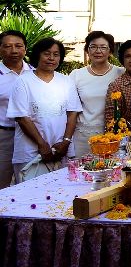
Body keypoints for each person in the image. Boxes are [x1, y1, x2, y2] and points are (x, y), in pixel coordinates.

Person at [7, 38, 81, 182]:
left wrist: (65, 142)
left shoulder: (66, 81)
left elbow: (72, 113)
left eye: (56, 54)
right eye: (47, 54)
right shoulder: (23, 81)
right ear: (37, 55)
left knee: (60, 195)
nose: (51, 58)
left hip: (60, 150)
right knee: (30, 196)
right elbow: (22, 117)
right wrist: (42, 145)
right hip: (31, 151)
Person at [69, 31, 124, 156]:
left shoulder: (120, 73)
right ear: (87, 50)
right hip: (84, 136)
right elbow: (71, 108)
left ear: (110, 51)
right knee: (84, 172)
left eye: (103, 47)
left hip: (113, 136)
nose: (98, 51)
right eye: (93, 47)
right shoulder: (76, 75)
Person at [0, 31, 32, 188]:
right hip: (4, 135)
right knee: (2, 180)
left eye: (18, 46)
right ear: (0, 49)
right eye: (7, 46)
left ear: (25, 49)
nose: (13, 51)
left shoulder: (35, 72)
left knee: (29, 179)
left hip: (32, 136)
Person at [104, 40, 131, 128]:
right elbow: (111, 119)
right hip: (129, 137)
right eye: (128, 56)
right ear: (122, 60)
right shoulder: (116, 86)